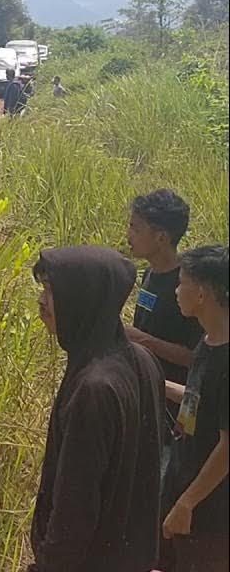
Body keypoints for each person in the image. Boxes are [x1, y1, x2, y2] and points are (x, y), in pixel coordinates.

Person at [29, 246, 165, 572]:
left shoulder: (94, 388)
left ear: (82, 298)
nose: (42, 300)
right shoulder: (142, 361)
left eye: (52, 290)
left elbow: (76, 507)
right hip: (131, 555)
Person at [161, 244, 228, 571]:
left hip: (211, 510)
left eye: (182, 282)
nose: (176, 290)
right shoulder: (208, 340)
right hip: (185, 483)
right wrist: (154, 385)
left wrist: (187, 503)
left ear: (201, 293)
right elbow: (198, 399)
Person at [126, 190, 203, 453]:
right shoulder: (149, 272)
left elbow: (194, 357)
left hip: (172, 408)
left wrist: (140, 339)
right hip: (145, 390)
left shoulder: (189, 288)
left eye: (136, 228)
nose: (128, 235)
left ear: (161, 238)